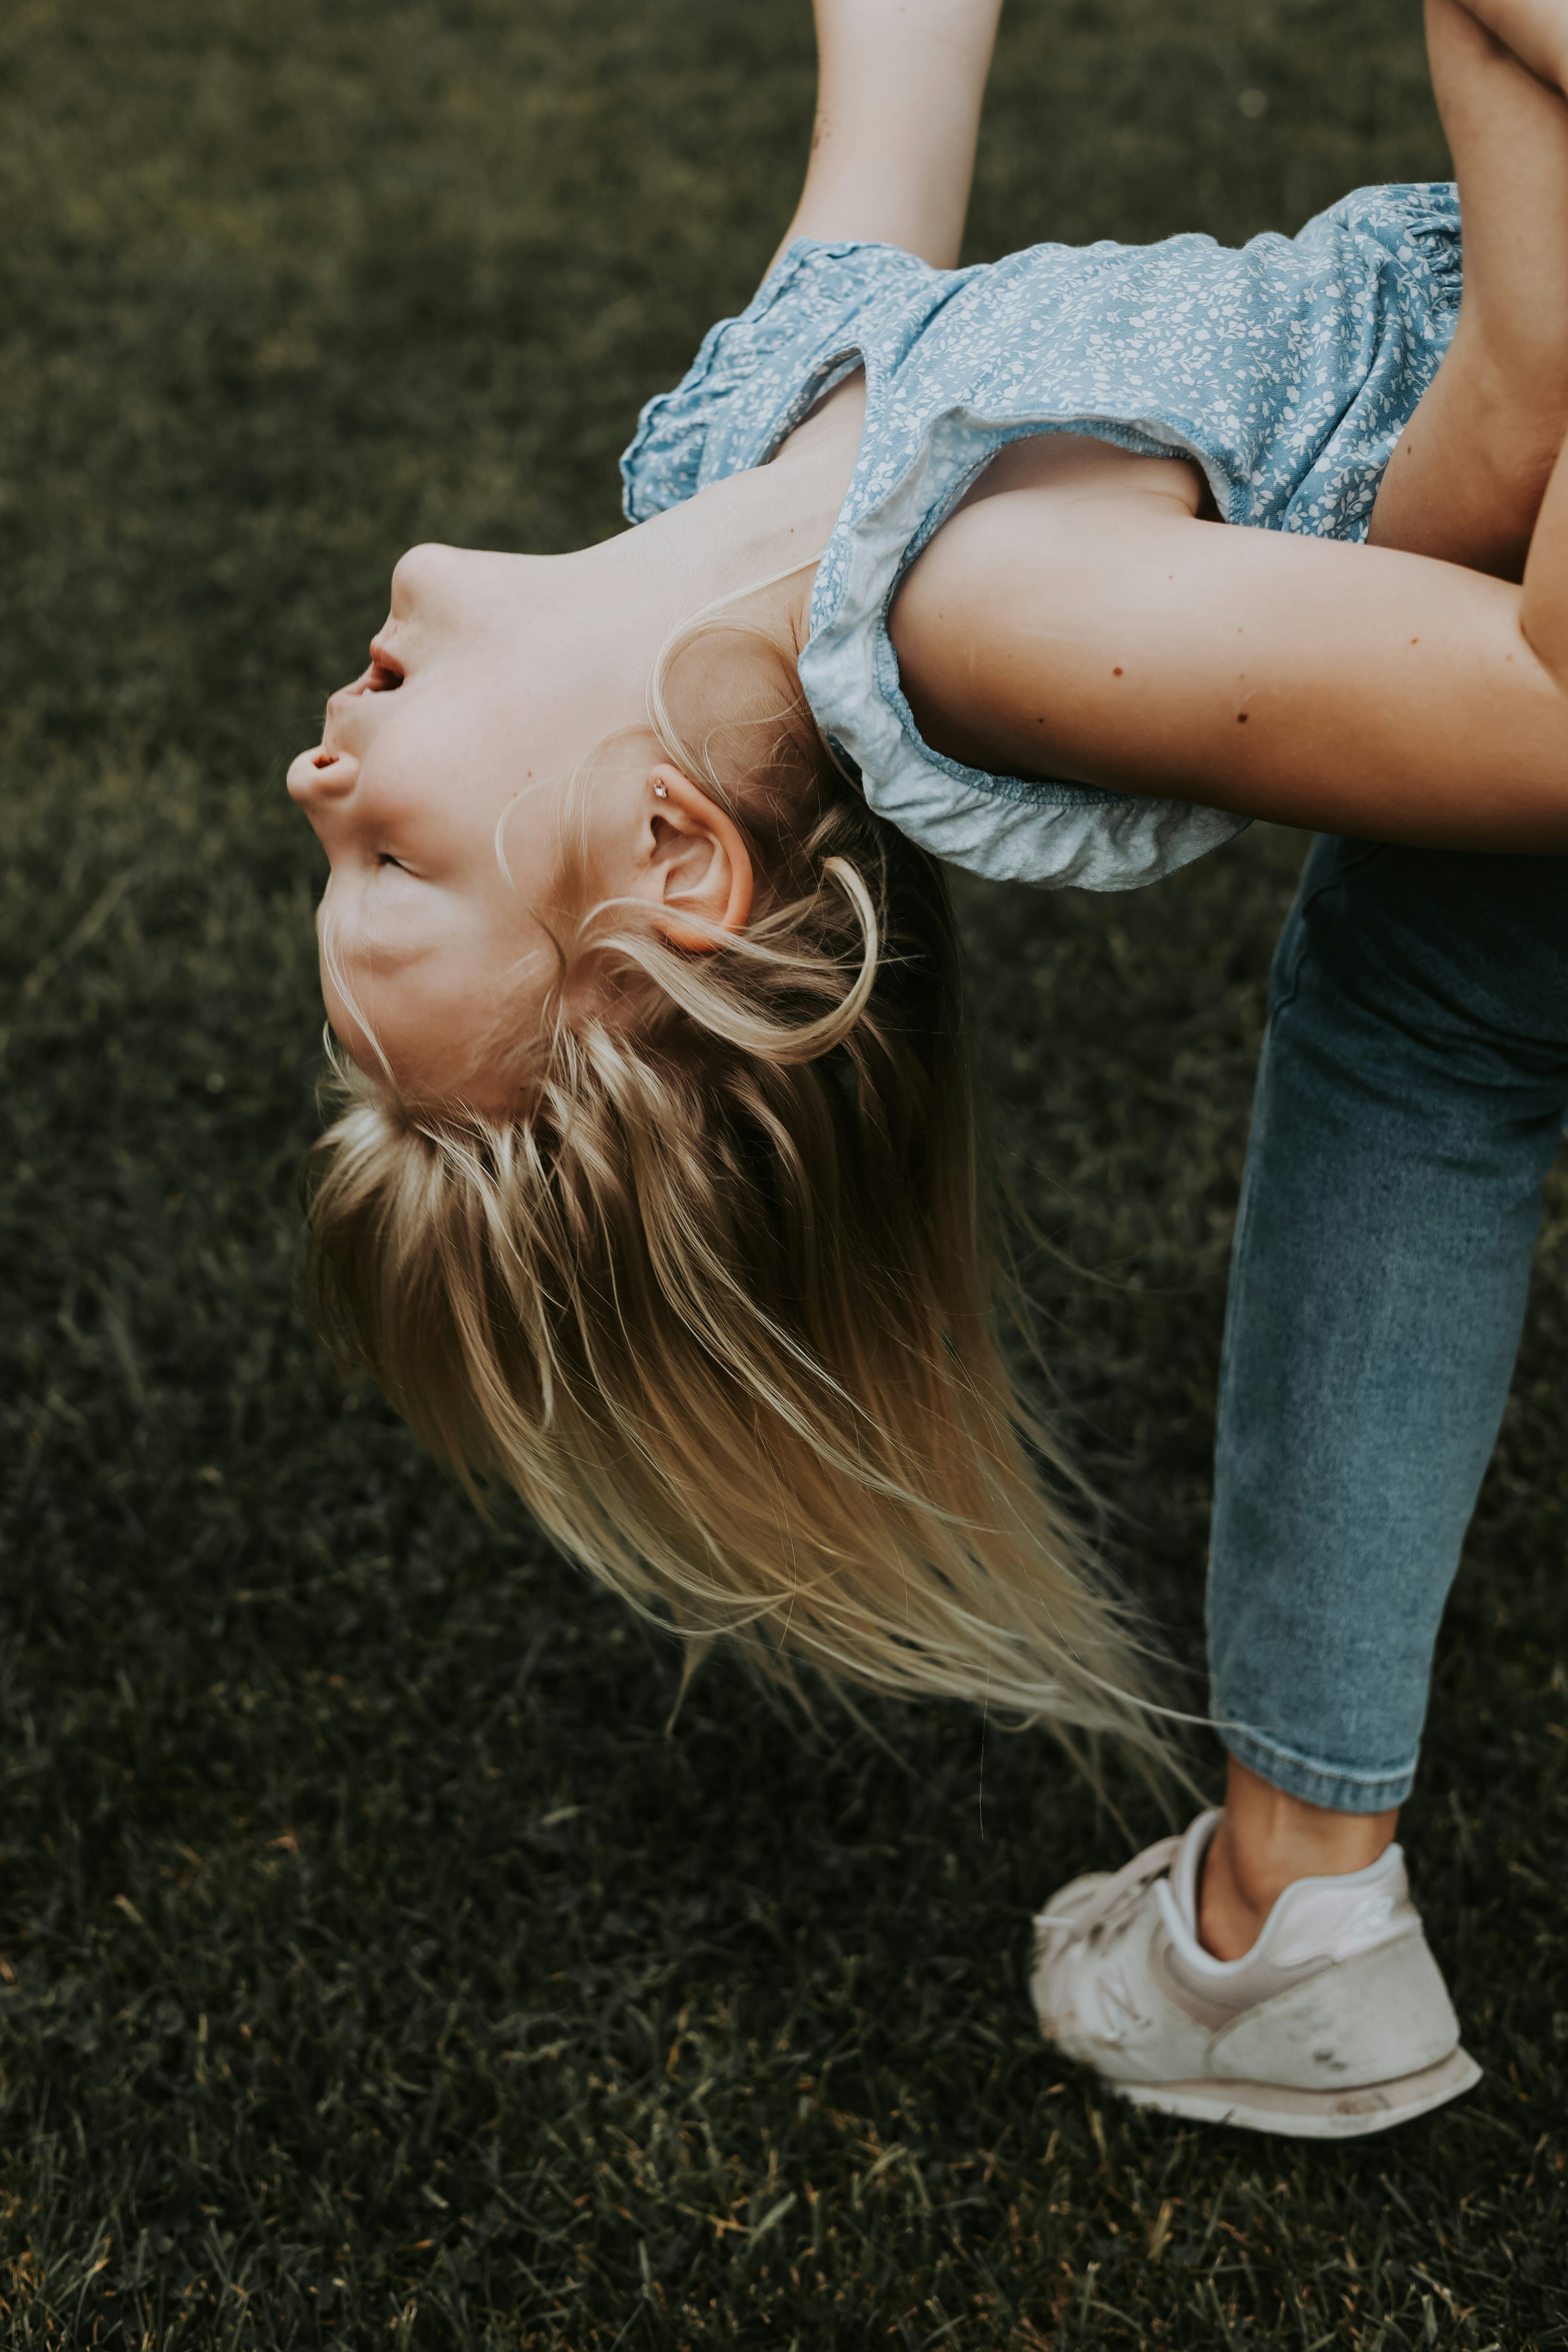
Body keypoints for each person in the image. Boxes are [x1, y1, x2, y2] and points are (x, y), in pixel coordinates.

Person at [288, 0, 1568, 2135]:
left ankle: (1295, 1903)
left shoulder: (735, 453)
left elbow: (896, 91)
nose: (311, 766)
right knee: (1426, 1018)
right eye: (388, 854)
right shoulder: (972, 614)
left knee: (1418, 1029)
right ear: (680, 861)